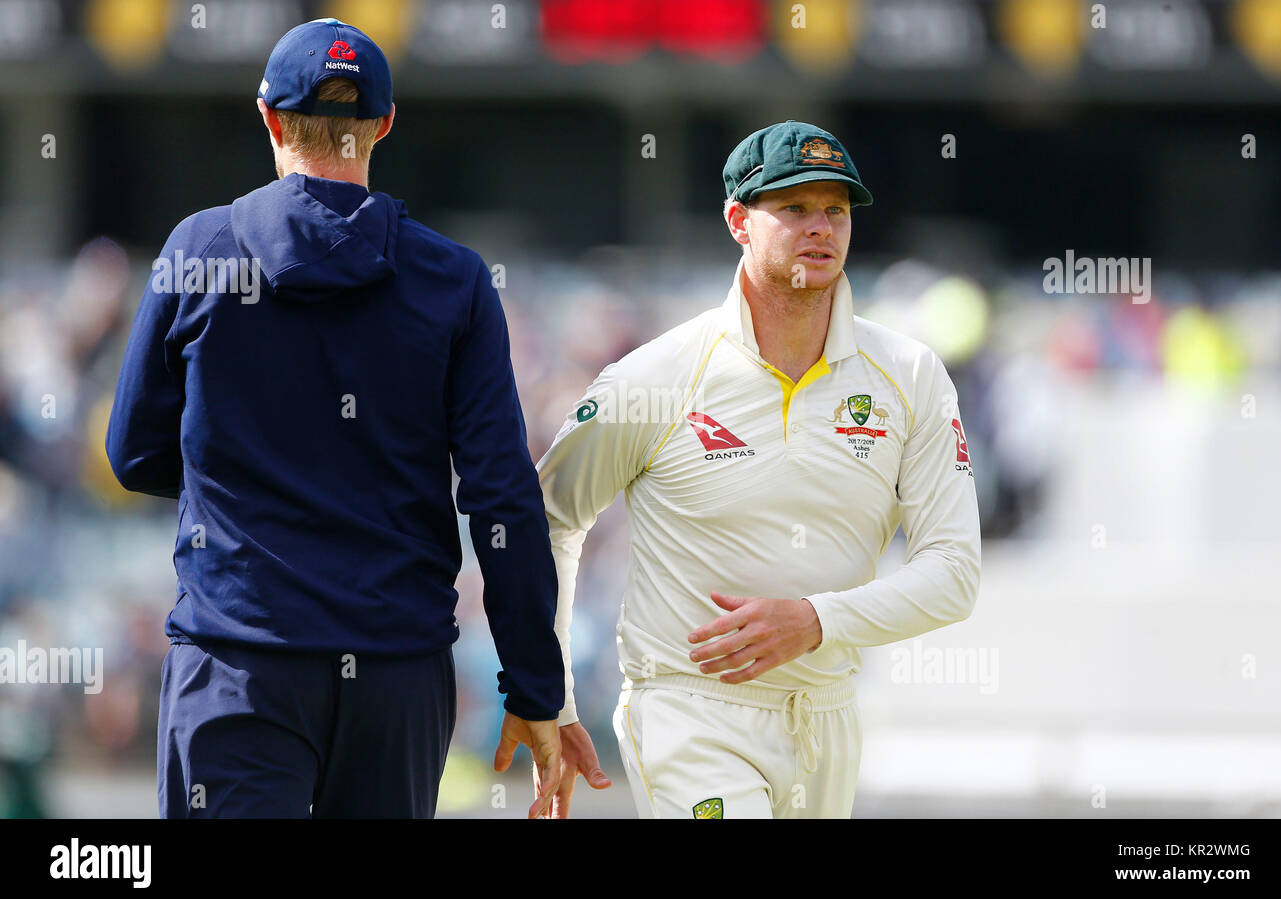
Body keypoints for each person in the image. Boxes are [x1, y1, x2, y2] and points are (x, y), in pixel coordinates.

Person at [106, 18, 564, 819]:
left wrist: (248, 479)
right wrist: (533, 685)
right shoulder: (453, 279)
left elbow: (133, 453)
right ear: (383, 125)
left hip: (239, 662)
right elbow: (500, 497)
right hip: (395, 671)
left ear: (269, 118)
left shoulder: (198, 250)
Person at [536, 121, 981, 819]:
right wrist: (548, 698)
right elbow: (550, 520)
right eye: (795, 208)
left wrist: (815, 621)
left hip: (827, 714)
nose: (820, 228)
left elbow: (954, 571)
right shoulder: (655, 375)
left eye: (835, 209)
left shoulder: (910, 376)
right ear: (738, 221)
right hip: (688, 706)